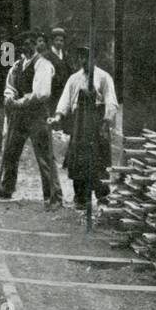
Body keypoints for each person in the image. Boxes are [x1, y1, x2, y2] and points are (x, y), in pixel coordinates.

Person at [0, 32, 63, 207]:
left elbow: (41, 93)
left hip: (37, 115)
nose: (26, 47)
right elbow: (10, 85)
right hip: (19, 115)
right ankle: (6, 188)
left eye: (30, 43)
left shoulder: (43, 65)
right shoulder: (17, 65)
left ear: (35, 45)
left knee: (44, 156)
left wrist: (21, 101)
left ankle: (53, 195)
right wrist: (9, 97)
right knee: (10, 151)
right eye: (23, 44)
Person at [52, 45, 119, 210]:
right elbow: (65, 100)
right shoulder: (74, 78)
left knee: (98, 161)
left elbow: (111, 101)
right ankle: (81, 198)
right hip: (79, 123)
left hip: (96, 123)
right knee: (79, 161)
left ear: (94, 59)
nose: (83, 60)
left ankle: (103, 197)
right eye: (81, 57)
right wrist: (58, 116)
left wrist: (106, 120)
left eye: (87, 57)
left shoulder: (103, 77)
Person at [46, 26, 72, 109]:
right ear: (52, 41)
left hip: (64, 90)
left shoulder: (65, 55)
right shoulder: (47, 55)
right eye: (57, 40)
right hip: (53, 91)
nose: (59, 43)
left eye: (61, 40)